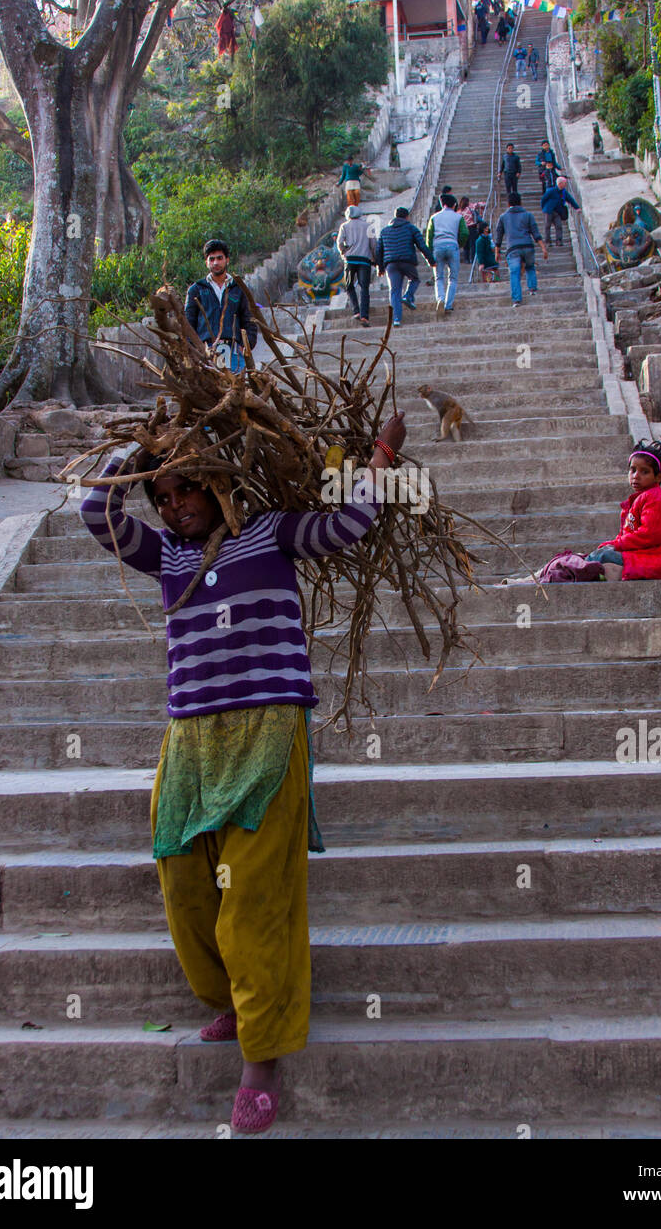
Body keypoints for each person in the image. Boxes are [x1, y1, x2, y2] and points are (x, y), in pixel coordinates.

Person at [80, 410, 407, 1134]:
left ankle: (264, 1054)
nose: (173, 506)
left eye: (187, 489)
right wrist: (145, 447)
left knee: (256, 891)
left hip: (269, 727)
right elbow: (95, 511)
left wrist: (382, 454)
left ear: (221, 482)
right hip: (190, 738)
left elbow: (350, 523)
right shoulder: (162, 555)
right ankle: (234, 998)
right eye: (162, 497)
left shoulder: (273, 534)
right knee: (183, 877)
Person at [511, 442, 661, 584]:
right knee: (586, 558)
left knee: (598, 557)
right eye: (633, 470)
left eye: (645, 472)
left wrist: (616, 544)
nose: (636, 476)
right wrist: (615, 544)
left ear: (658, 477)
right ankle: (533, 579)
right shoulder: (641, 499)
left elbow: (650, 535)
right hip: (642, 556)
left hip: (657, 558)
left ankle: (533, 580)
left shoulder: (656, 498)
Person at [185, 240, 258, 373]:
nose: (216, 263)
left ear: (227, 260)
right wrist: (195, 350)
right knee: (209, 391)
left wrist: (246, 345)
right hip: (206, 353)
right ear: (206, 262)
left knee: (236, 390)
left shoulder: (239, 288)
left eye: (220, 258)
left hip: (234, 352)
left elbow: (249, 320)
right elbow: (188, 323)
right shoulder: (197, 290)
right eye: (211, 259)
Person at [375, 205, 435, 327]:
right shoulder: (411, 228)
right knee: (415, 279)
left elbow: (378, 251)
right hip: (407, 261)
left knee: (394, 291)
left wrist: (380, 268)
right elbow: (422, 246)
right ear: (407, 217)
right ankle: (408, 296)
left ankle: (396, 319)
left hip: (390, 264)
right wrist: (431, 260)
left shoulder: (384, 231)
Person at [494, 191, 548, 306]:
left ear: (508, 204)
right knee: (530, 267)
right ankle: (532, 289)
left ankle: (517, 299)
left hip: (513, 248)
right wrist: (543, 248)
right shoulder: (528, 215)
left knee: (514, 272)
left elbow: (498, 237)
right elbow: (536, 233)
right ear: (521, 203)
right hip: (528, 246)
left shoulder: (503, 217)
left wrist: (497, 252)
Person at [425, 192, 468, 316]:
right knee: (453, 278)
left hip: (437, 247)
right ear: (454, 205)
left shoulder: (434, 217)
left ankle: (440, 299)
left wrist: (430, 251)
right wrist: (458, 244)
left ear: (442, 204)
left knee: (439, 277)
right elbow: (464, 233)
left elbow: (429, 236)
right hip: (452, 246)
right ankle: (449, 305)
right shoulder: (458, 217)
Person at [336, 204, 376, 326]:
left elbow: (339, 243)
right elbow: (373, 244)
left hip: (350, 259)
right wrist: (375, 258)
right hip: (364, 260)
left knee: (349, 285)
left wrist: (343, 253)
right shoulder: (368, 226)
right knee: (364, 287)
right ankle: (365, 316)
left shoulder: (344, 226)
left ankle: (356, 310)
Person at [540, 176, 580, 246]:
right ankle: (548, 241)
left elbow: (570, 199)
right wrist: (544, 208)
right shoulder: (551, 191)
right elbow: (543, 199)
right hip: (549, 211)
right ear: (560, 184)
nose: (566, 184)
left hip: (557, 212)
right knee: (547, 226)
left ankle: (559, 241)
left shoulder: (564, 192)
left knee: (559, 226)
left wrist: (577, 208)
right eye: (565, 183)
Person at [459, 195, 477, 263]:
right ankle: (472, 259)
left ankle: (466, 259)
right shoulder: (470, 208)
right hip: (472, 227)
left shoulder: (459, 211)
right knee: (472, 244)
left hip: (463, 229)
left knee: (465, 245)